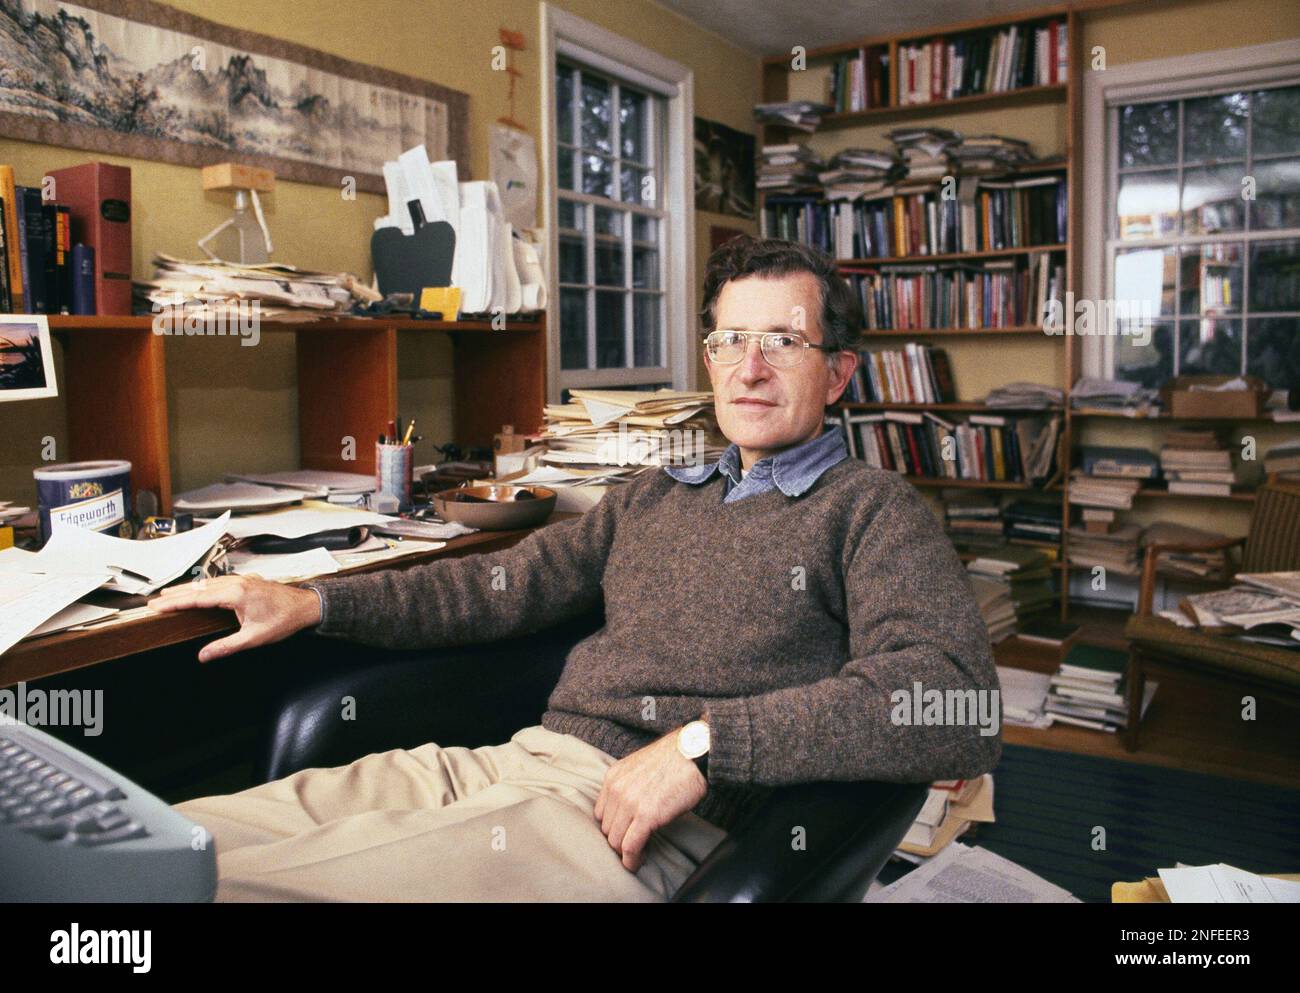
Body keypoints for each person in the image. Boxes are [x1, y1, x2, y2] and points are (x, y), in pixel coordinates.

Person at [151, 235, 1002, 901]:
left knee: (209, 893)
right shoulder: (651, 495)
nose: (750, 367)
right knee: (158, 841)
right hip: (507, 763)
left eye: (783, 340)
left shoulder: (872, 512)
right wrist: (311, 602)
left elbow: (954, 699)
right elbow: (495, 587)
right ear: (707, 357)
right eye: (731, 339)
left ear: (840, 372)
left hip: (637, 827)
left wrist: (706, 746)